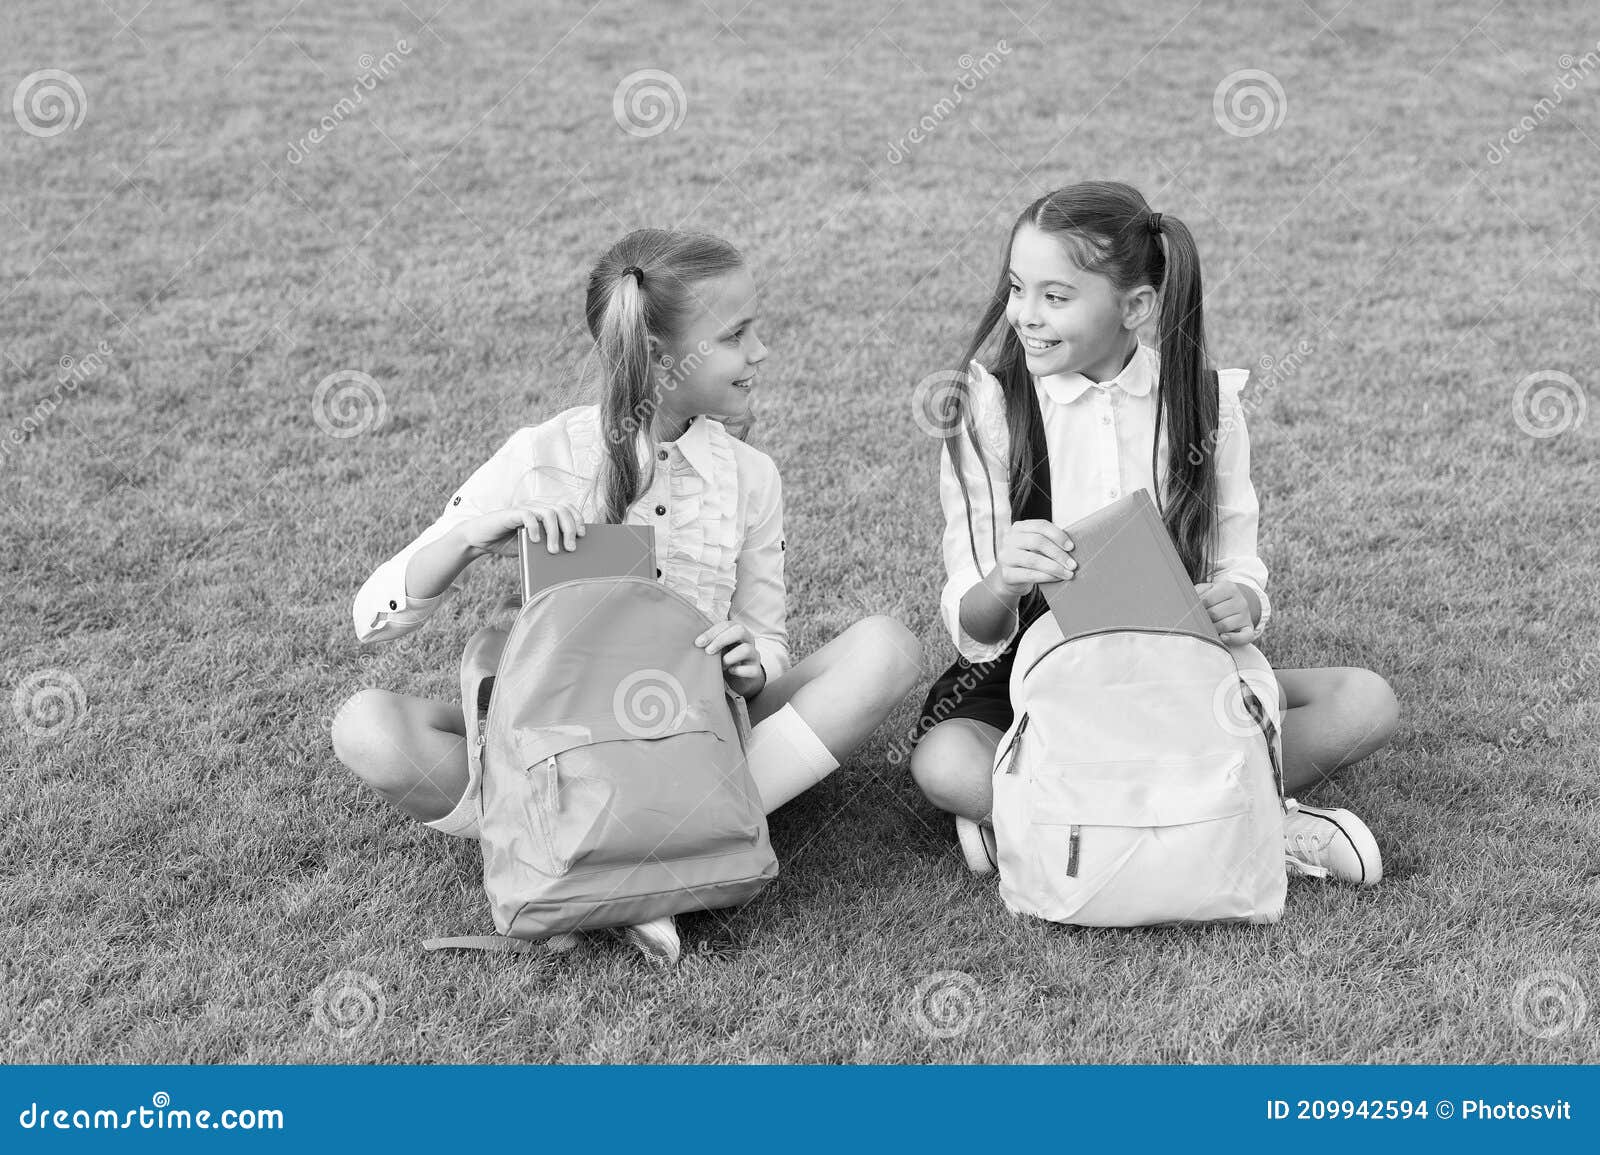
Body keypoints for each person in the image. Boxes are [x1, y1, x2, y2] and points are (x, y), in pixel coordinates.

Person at [332, 228, 923, 964]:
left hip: (701, 734)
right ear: (658, 354)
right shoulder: (541, 456)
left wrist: (753, 666)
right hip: (557, 745)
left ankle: (605, 860)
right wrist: (472, 537)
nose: (761, 351)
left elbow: (767, 637)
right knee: (367, 727)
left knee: (887, 648)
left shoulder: (751, 476)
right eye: (735, 335)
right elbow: (372, 619)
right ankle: (641, 860)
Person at [909, 182, 1398, 886]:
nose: (1025, 315)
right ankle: (1245, 817)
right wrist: (1005, 579)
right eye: (1017, 288)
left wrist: (1240, 600)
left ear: (1135, 307)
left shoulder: (1205, 404)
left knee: (1365, 703)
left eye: (1055, 296)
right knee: (944, 759)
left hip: (1172, 668)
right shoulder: (989, 410)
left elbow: (1237, 564)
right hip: (1036, 675)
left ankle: (1040, 822)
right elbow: (974, 628)